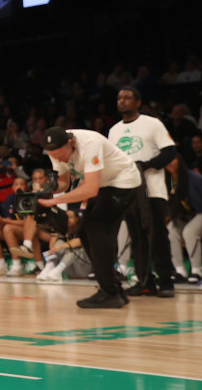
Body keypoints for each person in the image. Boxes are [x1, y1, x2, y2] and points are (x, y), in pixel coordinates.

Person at [39, 126, 143, 308]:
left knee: (97, 230)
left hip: (124, 180)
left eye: (60, 155)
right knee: (85, 233)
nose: (57, 159)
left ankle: (110, 292)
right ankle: (113, 288)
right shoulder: (54, 150)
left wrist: (54, 202)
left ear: (70, 143)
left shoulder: (89, 143)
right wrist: (47, 192)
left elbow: (90, 188)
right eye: (52, 155)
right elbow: (64, 182)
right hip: (105, 184)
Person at [108, 86, 178, 297]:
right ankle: (145, 281)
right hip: (128, 191)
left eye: (127, 97)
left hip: (152, 190)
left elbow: (170, 151)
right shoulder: (114, 131)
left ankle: (166, 282)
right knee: (136, 237)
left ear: (138, 102)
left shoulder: (152, 124)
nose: (122, 101)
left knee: (157, 236)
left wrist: (145, 164)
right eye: (119, 98)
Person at [166, 157, 202, 283]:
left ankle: (196, 271)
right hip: (186, 217)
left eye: (173, 159)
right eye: (167, 160)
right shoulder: (168, 180)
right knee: (170, 230)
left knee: (189, 232)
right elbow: (171, 208)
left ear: (180, 161)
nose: (170, 163)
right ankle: (180, 271)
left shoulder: (196, 178)